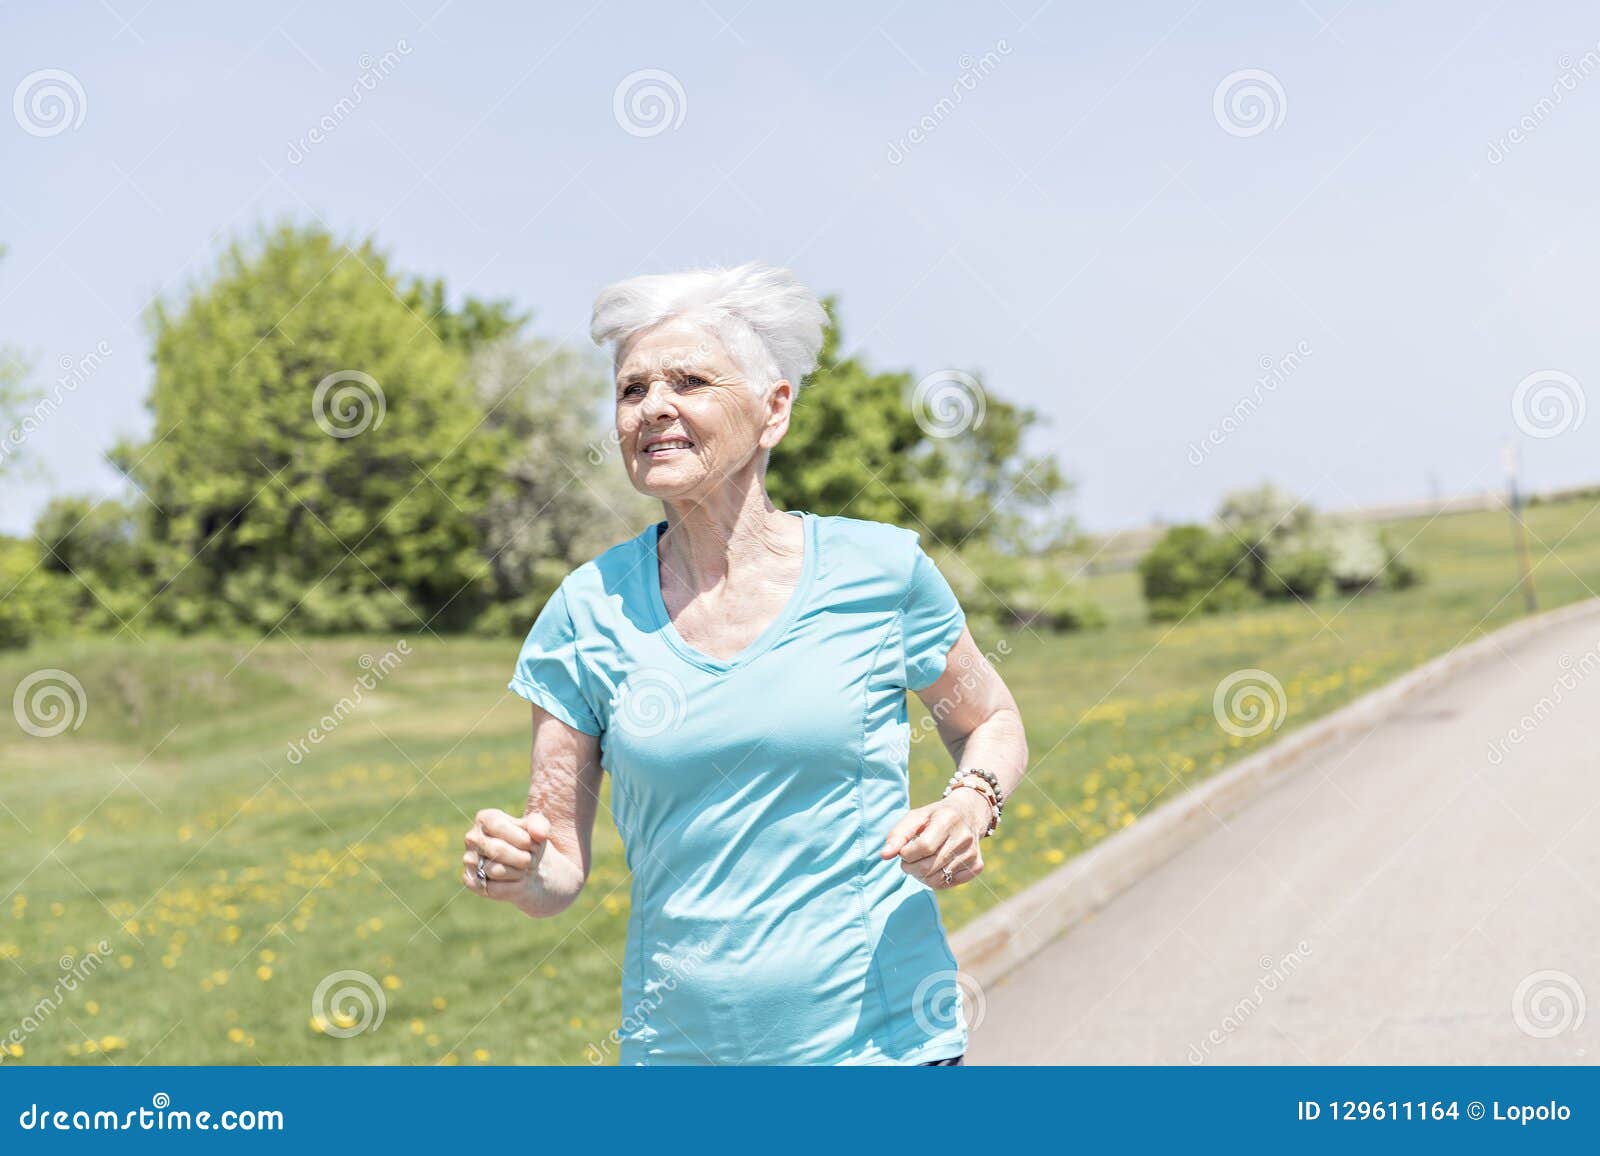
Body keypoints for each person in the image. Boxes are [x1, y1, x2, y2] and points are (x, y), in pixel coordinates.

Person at [461, 261, 1029, 1065]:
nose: (654, 406)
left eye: (690, 381)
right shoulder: (585, 612)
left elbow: (990, 719)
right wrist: (519, 872)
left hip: (887, 1052)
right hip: (680, 1058)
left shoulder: (881, 573)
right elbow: (557, 859)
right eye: (631, 389)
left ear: (774, 409)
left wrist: (971, 805)